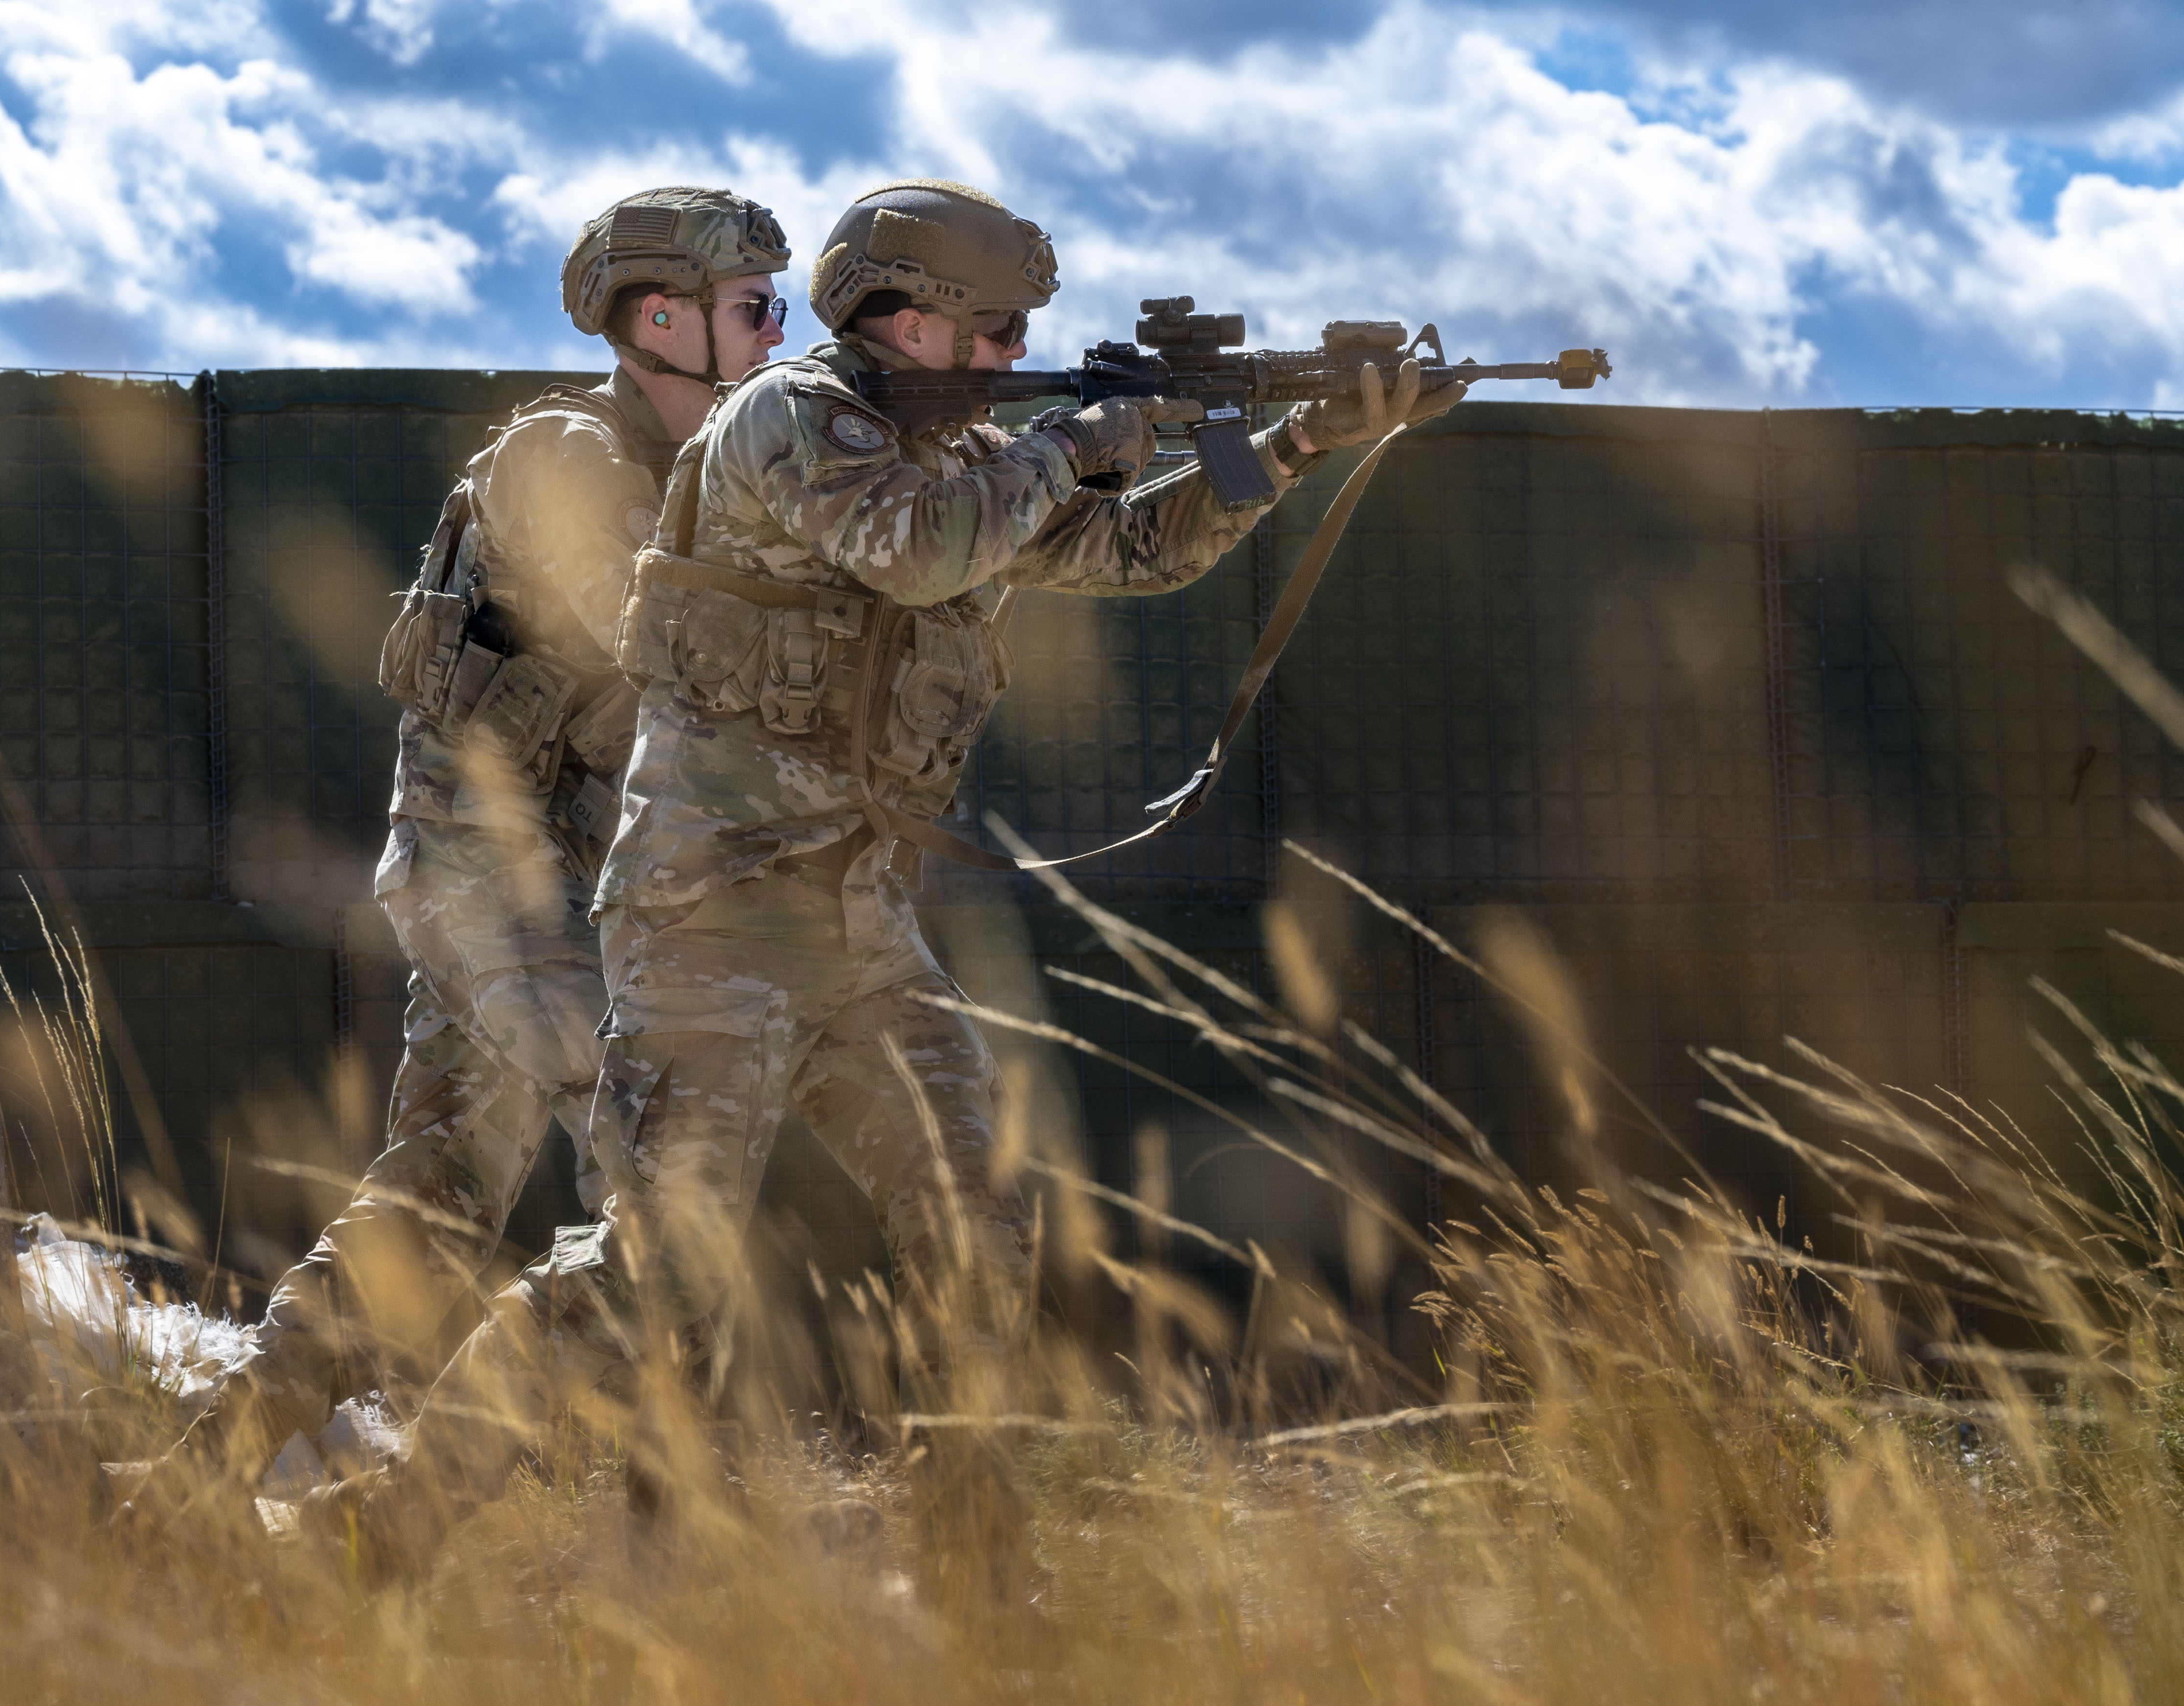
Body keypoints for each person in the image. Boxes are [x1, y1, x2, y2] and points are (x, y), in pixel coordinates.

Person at [316, 178, 1461, 1564]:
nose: (1006, 365)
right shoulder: (785, 422)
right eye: (988, 338)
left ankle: (973, 1556)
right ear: (906, 324)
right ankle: (399, 1522)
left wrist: (1289, 447)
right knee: (659, 1274)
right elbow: (919, 555)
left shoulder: (972, 453)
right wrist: (1074, 442)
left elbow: (1127, 553)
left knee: (975, 1227)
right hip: (710, 917)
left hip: (858, 921)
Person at [129, 186, 791, 1516]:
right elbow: (666, 643)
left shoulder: (688, 468)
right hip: (497, 893)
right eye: (755, 311)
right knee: (663, 1190)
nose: (779, 338)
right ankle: (629, 1517)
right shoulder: (566, 463)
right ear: (659, 321)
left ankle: (195, 1483)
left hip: (536, 897)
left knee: (427, 1209)